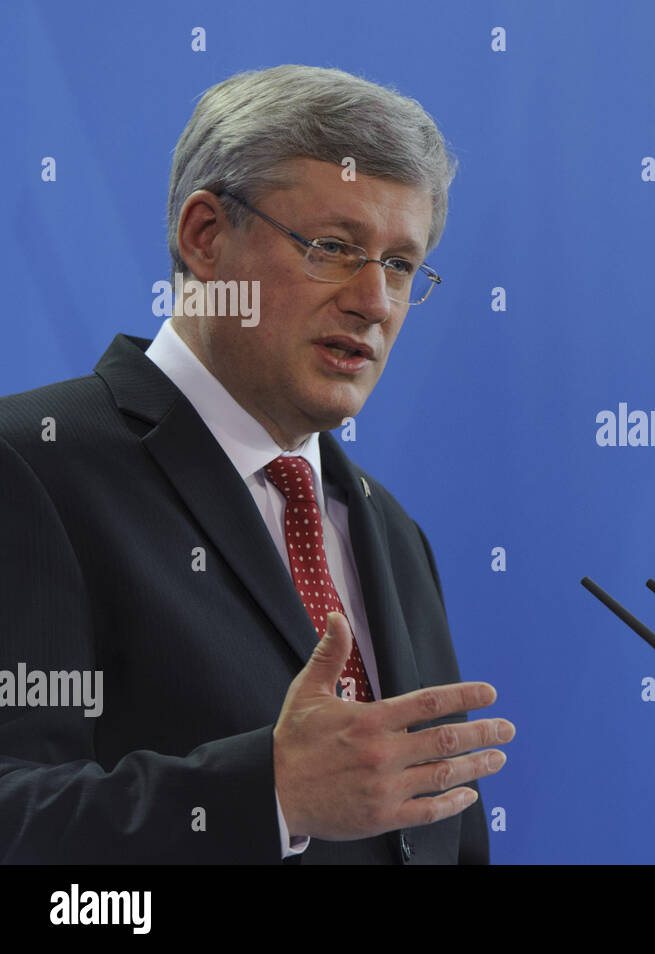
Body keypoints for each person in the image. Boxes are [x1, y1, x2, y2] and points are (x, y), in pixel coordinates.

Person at [0, 65, 514, 864]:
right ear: (205, 237)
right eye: (335, 247)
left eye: (402, 265)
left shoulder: (390, 531)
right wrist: (269, 796)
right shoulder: (30, 465)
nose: (375, 301)